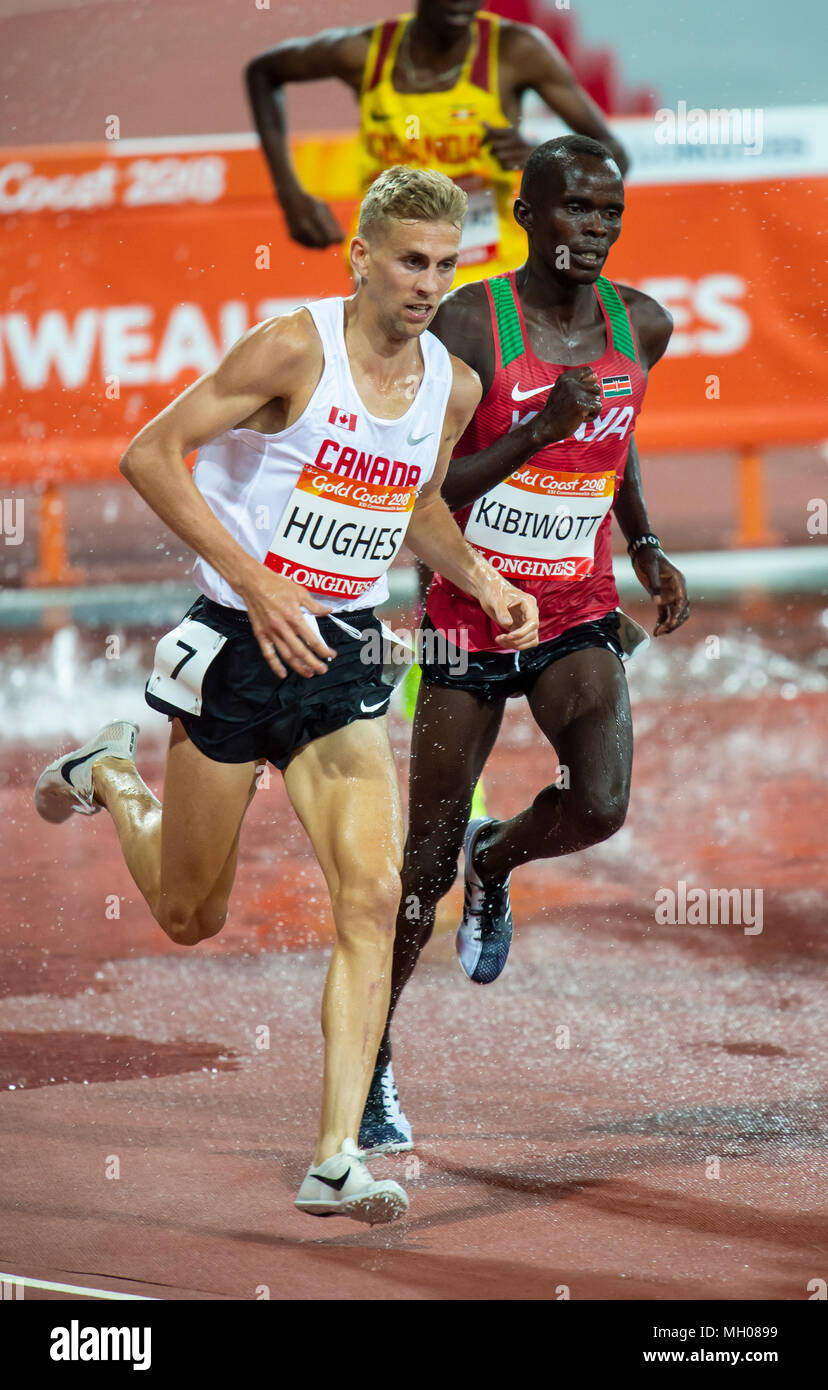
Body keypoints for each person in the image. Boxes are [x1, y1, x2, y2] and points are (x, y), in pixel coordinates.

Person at [33, 166, 538, 1225]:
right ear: (360, 255)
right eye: (409, 260)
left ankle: (335, 1155)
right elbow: (149, 455)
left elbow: (419, 507)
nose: (427, 284)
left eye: (445, 266)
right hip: (235, 645)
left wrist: (483, 575)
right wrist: (258, 582)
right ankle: (109, 771)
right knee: (187, 913)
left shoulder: (449, 381)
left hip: (345, 656)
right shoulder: (291, 347)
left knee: (372, 897)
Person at [357, 136, 690, 1155]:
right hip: (466, 611)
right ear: (528, 212)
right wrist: (535, 433)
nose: (596, 228)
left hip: (581, 605)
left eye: (611, 213)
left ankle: (497, 859)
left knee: (601, 803)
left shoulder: (642, 323)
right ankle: (367, 1065)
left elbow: (616, 438)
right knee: (420, 872)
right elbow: (428, 493)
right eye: (577, 210)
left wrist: (645, 542)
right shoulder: (471, 322)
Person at [246, 0, 629, 287]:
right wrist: (290, 195)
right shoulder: (365, 53)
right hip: (387, 269)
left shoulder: (515, 51)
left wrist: (545, 159)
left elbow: (616, 156)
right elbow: (264, 72)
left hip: (489, 269)